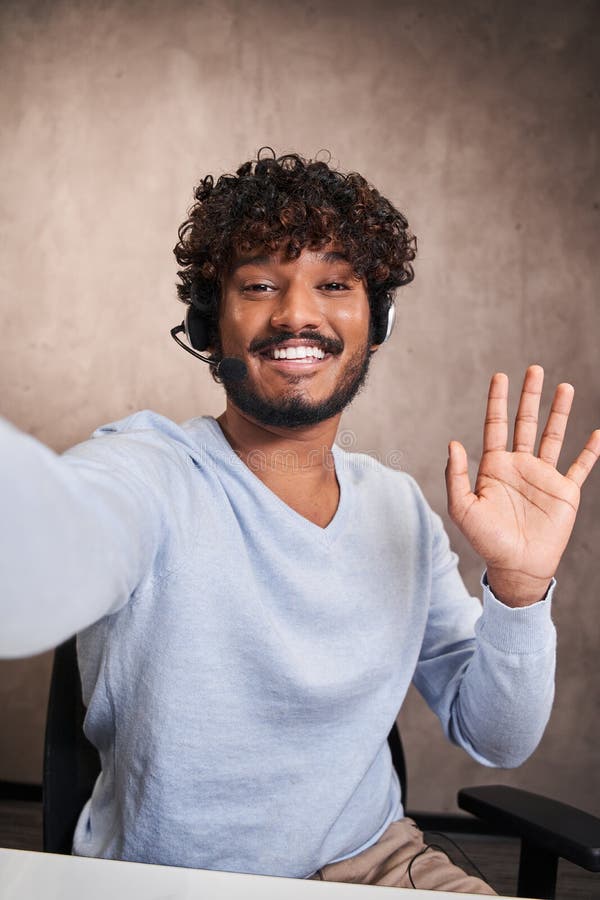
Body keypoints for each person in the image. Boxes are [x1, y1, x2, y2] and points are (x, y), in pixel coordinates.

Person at [1, 150, 598, 894]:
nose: (296, 314)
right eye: (258, 285)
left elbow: (497, 739)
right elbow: (45, 551)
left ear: (375, 320)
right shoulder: (149, 470)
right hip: (180, 876)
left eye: (335, 285)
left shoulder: (397, 508)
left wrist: (518, 587)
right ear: (205, 323)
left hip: (381, 862)